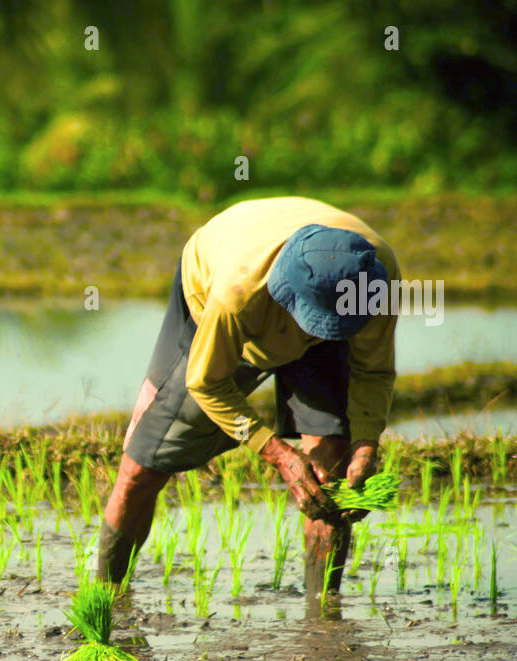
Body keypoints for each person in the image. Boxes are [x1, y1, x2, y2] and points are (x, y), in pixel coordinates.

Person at [98, 196, 401, 595]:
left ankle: (323, 619)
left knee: (330, 470)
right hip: (218, 303)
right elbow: (206, 383)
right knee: (143, 467)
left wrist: (365, 446)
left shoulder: (375, 277)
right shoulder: (234, 291)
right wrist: (277, 453)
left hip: (330, 310)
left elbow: (373, 369)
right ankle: (106, 603)